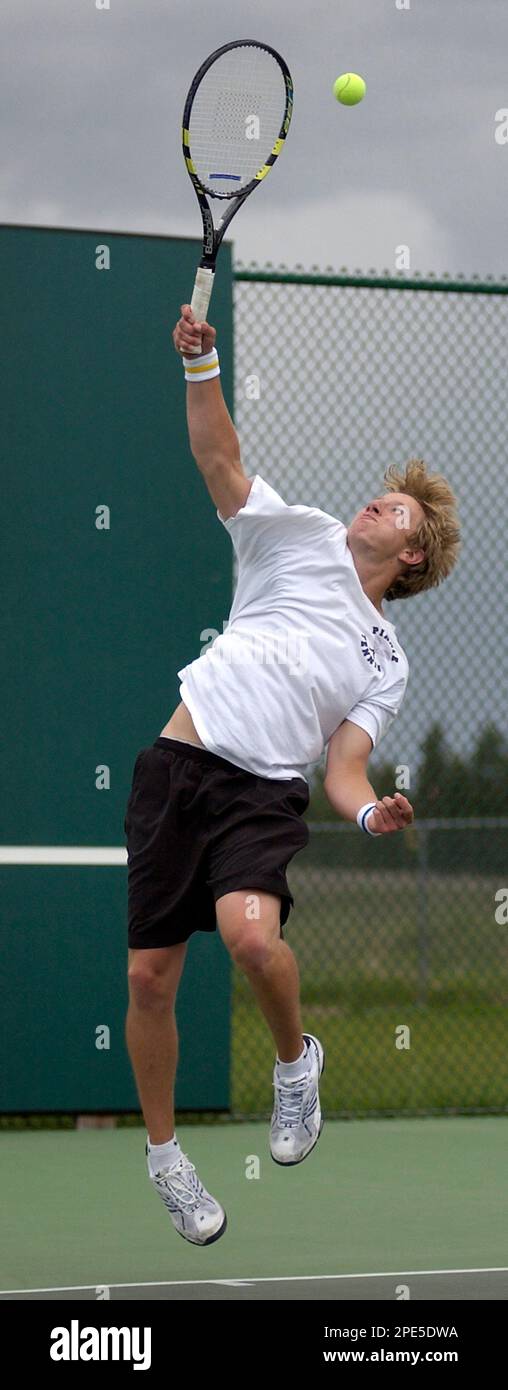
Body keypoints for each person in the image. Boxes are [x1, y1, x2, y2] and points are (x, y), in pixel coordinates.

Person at [124, 304, 461, 1247]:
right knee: (150, 980)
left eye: (393, 510)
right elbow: (221, 462)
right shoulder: (299, 534)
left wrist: (369, 815)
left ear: (413, 552)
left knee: (253, 941)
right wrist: (202, 366)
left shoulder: (385, 657)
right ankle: (168, 1162)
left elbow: (345, 767)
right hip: (177, 763)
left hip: (262, 792)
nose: (373, 504)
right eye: (379, 496)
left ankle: (293, 1064)